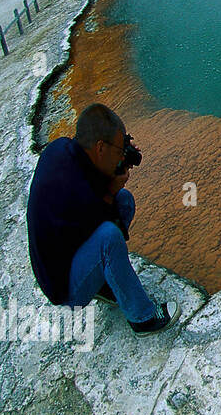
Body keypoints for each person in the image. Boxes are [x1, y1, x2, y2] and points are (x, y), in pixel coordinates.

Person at [26, 103, 179, 335]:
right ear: (100, 148)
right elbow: (107, 224)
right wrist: (111, 189)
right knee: (109, 238)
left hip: (68, 253)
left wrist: (120, 157)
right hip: (65, 287)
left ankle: (104, 283)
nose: (122, 155)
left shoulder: (63, 149)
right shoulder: (73, 188)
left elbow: (93, 207)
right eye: (119, 150)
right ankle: (143, 318)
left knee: (124, 200)